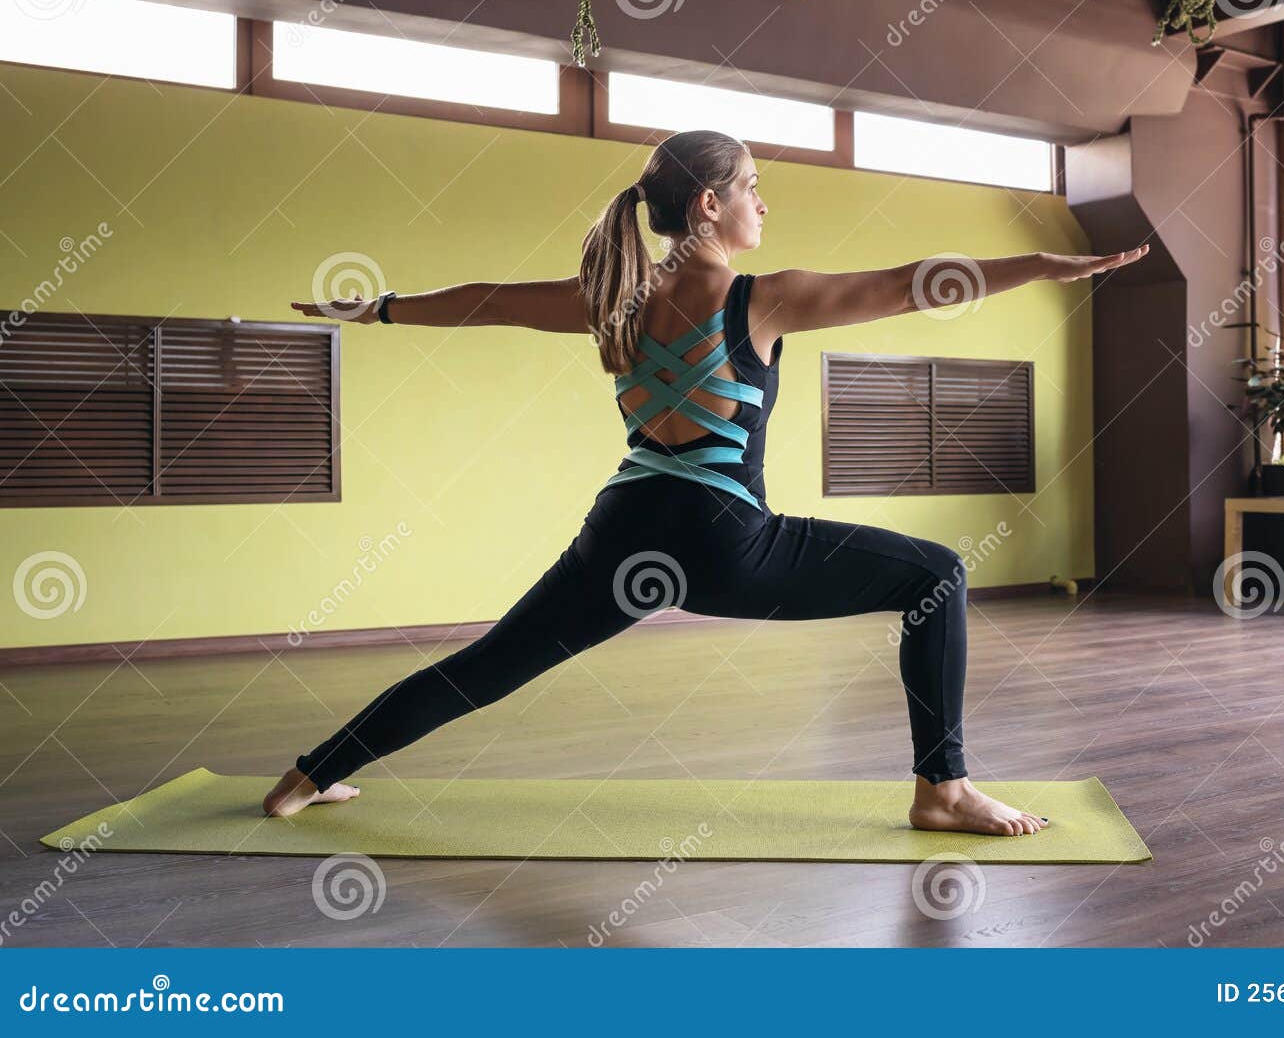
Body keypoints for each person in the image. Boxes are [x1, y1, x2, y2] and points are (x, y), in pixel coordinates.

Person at [263, 129, 1148, 835]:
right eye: (753, 185)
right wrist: (1041, 266)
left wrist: (379, 308)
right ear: (710, 203)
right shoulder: (763, 298)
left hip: (621, 533)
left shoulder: (608, 295)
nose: (766, 200)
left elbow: (486, 298)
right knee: (938, 574)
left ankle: (309, 775)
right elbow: (911, 286)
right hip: (727, 543)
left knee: (486, 666)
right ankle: (942, 790)